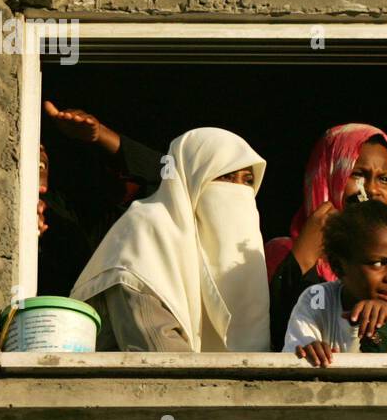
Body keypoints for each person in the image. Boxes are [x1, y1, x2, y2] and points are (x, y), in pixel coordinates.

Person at [70, 127, 272, 352]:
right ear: (191, 175)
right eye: (225, 176)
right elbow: (160, 355)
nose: (237, 190)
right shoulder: (145, 231)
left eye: (247, 180)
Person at [265, 123, 387, 351]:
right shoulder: (282, 253)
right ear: (327, 173)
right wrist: (304, 256)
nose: (372, 189)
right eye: (357, 174)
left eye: (384, 179)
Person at [38, 100, 165, 296]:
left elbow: (168, 175)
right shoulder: (59, 208)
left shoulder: (94, 222)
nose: (39, 150)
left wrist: (101, 135)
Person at [284, 201, 387, 367]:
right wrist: (309, 350)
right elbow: (294, 355)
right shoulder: (317, 297)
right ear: (338, 267)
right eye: (378, 263)